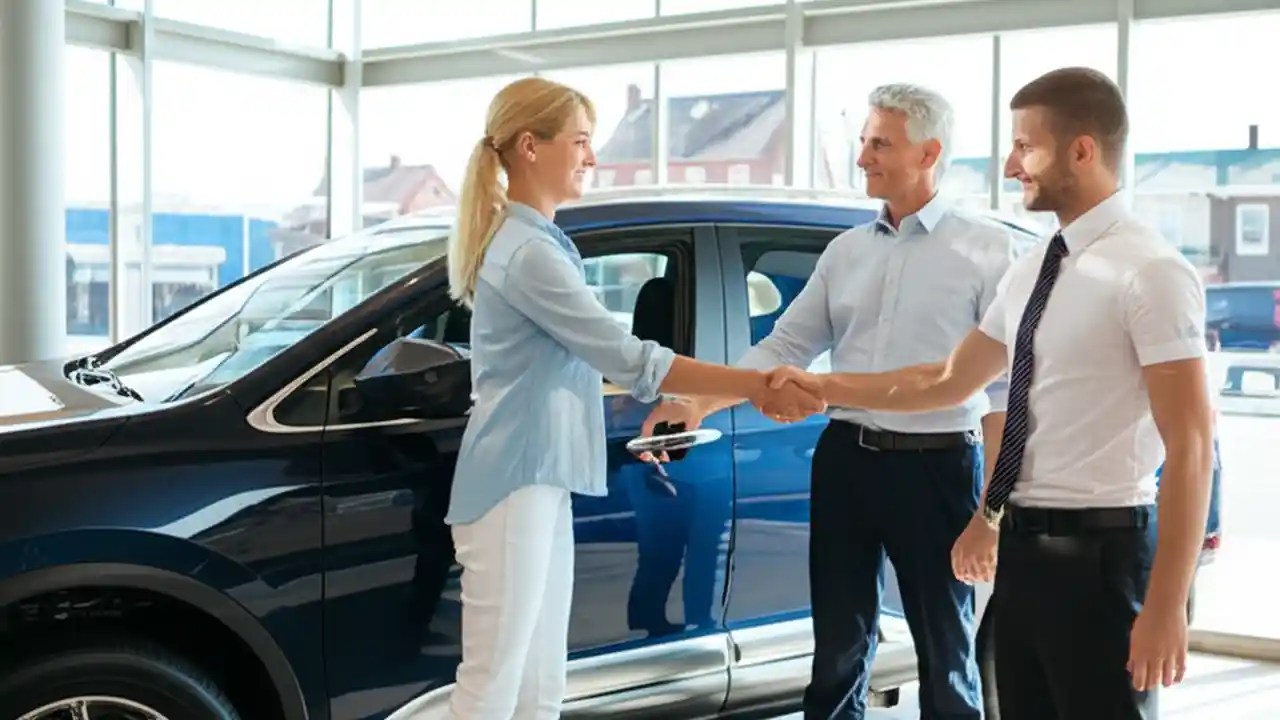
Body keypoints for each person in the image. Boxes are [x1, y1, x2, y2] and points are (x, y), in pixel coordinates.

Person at [770, 67, 1214, 719]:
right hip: (1025, 553)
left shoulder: (1150, 271)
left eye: (1025, 146)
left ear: (1082, 150)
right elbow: (948, 380)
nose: (1010, 165)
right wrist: (823, 385)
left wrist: (1168, 604)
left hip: (1104, 555)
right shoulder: (1034, 266)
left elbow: (1193, 446)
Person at [442, 76, 824, 720]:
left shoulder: (532, 241)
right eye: (581, 141)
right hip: (513, 484)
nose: (592, 157)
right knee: (493, 686)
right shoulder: (529, 252)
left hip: (534, 480)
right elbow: (628, 358)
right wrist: (754, 383)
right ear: (531, 147)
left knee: (537, 687)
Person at [643, 83, 1026, 720]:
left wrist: (990, 514)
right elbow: (787, 342)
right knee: (840, 643)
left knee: (945, 645)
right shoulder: (845, 251)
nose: (863, 157)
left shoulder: (986, 250)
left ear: (929, 151)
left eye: (880, 143)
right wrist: (699, 403)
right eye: (863, 141)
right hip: (846, 460)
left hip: (937, 466)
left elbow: (1000, 392)